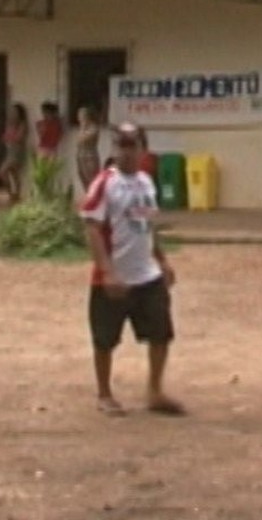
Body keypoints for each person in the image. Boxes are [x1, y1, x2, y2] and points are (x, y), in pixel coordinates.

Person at [80, 121, 184, 418]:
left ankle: (155, 390)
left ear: (143, 150)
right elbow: (92, 227)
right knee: (105, 339)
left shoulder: (146, 182)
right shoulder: (105, 183)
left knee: (161, 333)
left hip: (146, 274)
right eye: (120, 145)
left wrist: (162, 260)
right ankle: (104, 394)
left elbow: (147, 225)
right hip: (113, 277)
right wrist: (107, 270)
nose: (125, 152)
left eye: (131, 145)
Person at [0, 102, 29, 204]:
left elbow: (19, 138)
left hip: (17, 151)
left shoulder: (22, 124)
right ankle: (15, 196)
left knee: (3, 171)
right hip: (10, 151)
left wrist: (10, 137)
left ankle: (13, 194)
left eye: (14, 112)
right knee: (13, 174)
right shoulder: (9, 124)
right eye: (11, 111)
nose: (12, 113)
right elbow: (4, 138)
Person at [74, 105, 102, 189]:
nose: (79, 118)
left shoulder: (94, 128)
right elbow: (77, 142)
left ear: (87, 116)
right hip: (80, 156)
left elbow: (82, 140)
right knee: (83, 180)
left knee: (92, 180)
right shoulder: (82, 128)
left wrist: (83, 127)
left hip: (90, 157)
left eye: (81, 115)